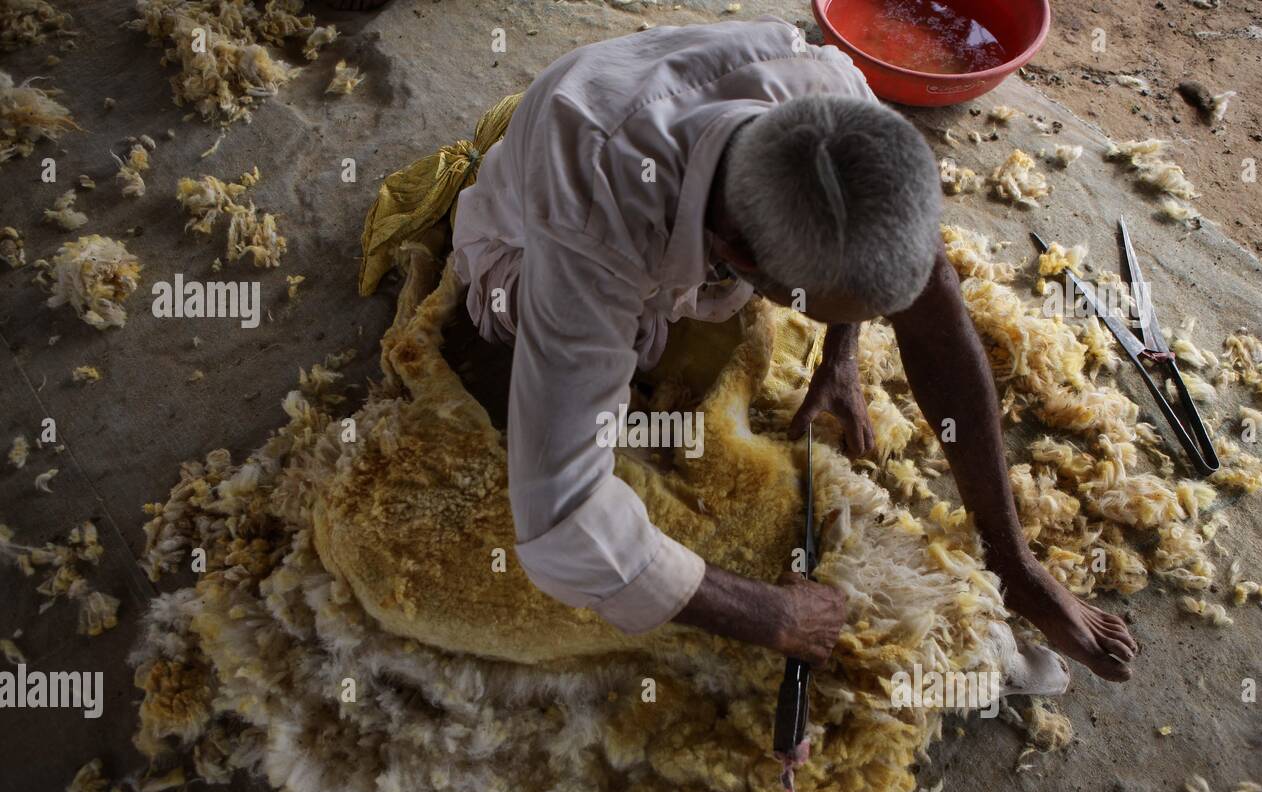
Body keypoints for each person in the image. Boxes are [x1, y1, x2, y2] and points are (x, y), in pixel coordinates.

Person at [451, 17, 1138, 683]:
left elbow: (935, 311)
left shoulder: (838, 100)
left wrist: (1013, 562)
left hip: (690, 173)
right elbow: (559, 524)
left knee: (753, 312)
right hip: (526, 235)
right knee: (593, 348)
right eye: (837, 313)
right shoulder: (593, 219)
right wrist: (772, 613)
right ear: (738, 257)